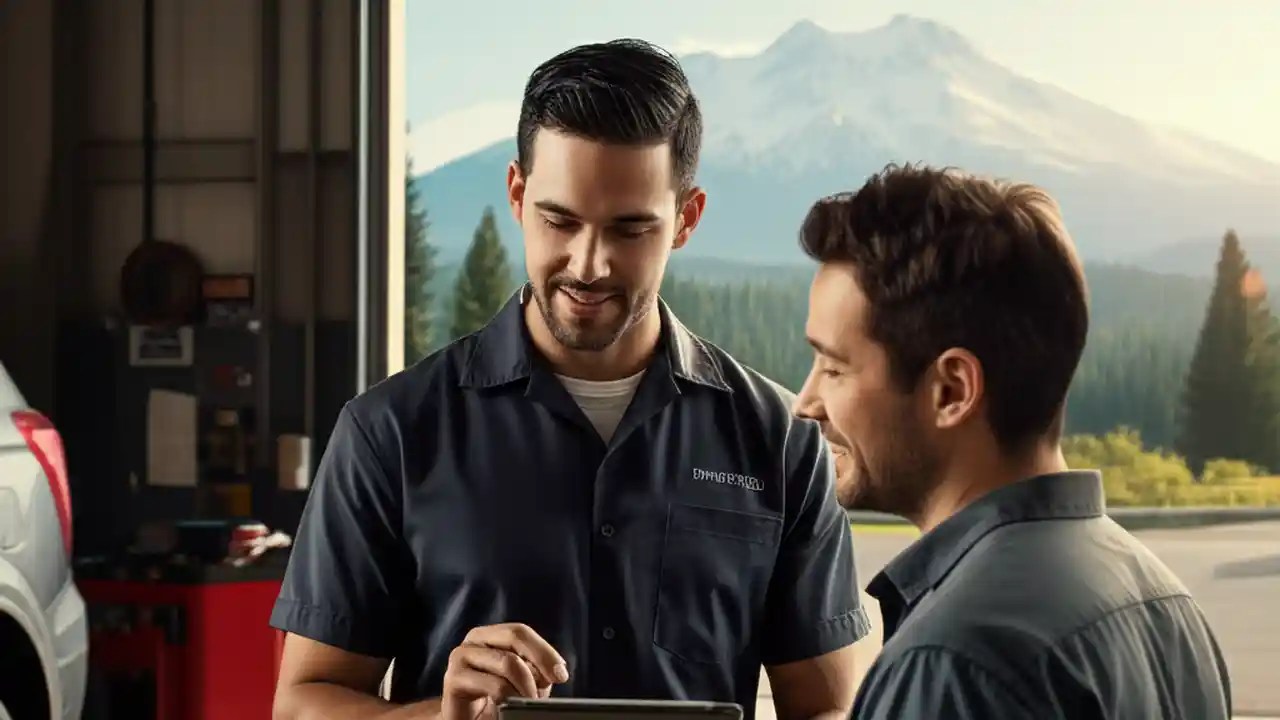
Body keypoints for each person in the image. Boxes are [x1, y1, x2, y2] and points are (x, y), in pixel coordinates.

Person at [271, 39, 870, 720]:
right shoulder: (390, 433)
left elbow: (825, 710)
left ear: (686, 220)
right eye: (559, 220)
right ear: (518, 195)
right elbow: (301, 707)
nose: (589, 264)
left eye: (630, 230)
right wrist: (442, 718)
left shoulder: (781, 441)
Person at [792, 164, 1233, 719]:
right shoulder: (1164, 605)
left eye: (834, 368)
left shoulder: (953, 659)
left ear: (952, 390)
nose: (804, 403)